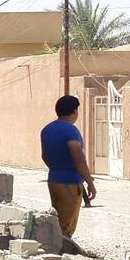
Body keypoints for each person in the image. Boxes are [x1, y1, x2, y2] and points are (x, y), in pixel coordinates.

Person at [40, 95, 96, 238]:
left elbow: (44, 156)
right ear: (74, 111)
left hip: (53, 179)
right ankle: (59, 255)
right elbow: (79, 159)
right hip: (70, 182)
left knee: (57, 220)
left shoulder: (47, 129)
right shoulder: (71, 130)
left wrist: (56, 168)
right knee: (66, 226)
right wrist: (89, 182)